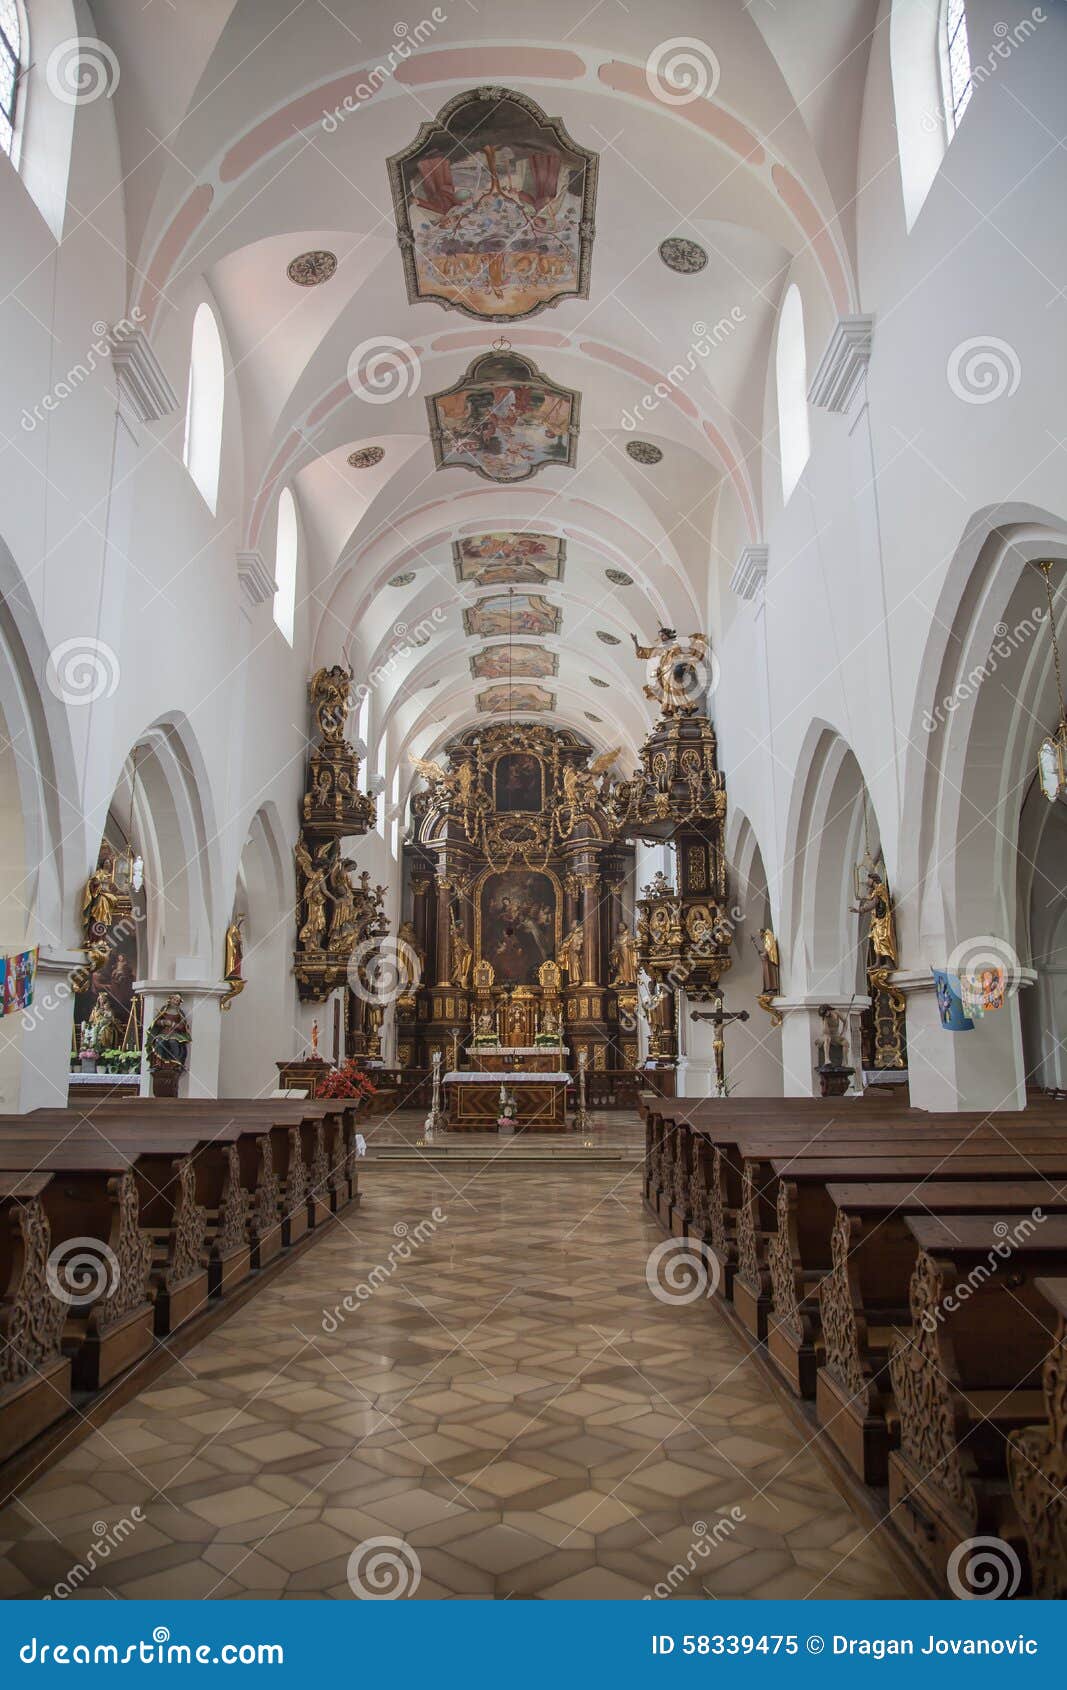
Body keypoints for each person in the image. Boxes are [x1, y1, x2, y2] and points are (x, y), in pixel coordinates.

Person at [147, 994, 191, 1070]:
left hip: (175, 1033)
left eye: (177, 1001)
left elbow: (183, 1026)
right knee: (159, 1041)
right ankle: (158, 1063)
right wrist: (163, 1022)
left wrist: (172, 1024)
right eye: (174, 999)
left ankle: (177, 1063)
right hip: (164, 1032)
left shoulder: (179, 1012)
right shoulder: (164, 1009)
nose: (175, 1002)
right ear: (170, 1000)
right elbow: (156, 1022)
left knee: (173, 1042)